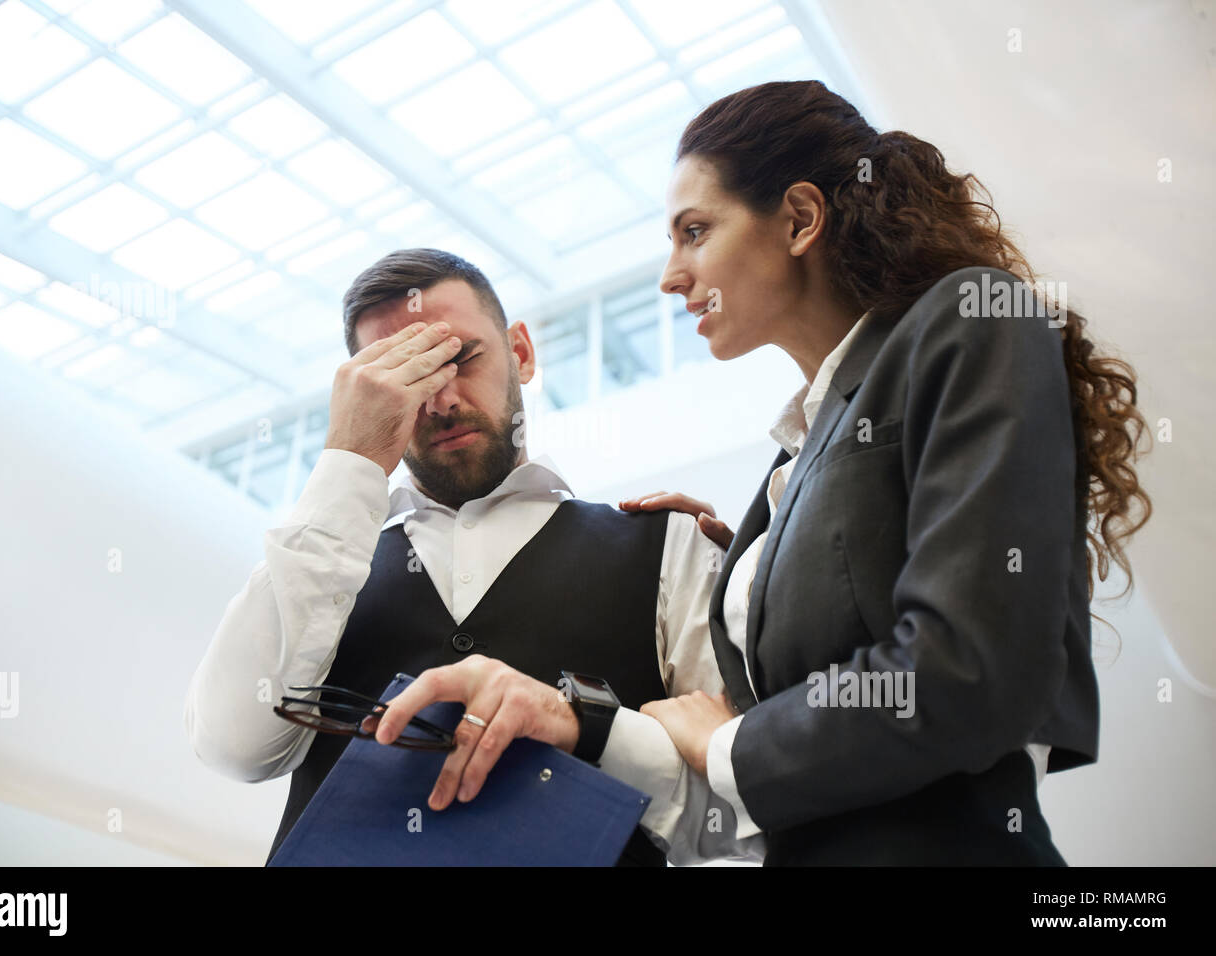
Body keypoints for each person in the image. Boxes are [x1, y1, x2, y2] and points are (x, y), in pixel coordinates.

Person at [377, 80, 1152, 865]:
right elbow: (748, 785)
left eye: (694, 230)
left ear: (800, 218)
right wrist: (735, 583)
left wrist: (732, 745)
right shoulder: (793, 461)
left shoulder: (973, 315)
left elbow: (965, 670)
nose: (670, 275)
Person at [184, 248, 762, 866]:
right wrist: (348, 462)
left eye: (458, 357)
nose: (438, 399)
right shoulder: (319, 561)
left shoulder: (667, 542)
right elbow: (232, 747)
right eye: (401, 379)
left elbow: (742, 813)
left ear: (521, 352)